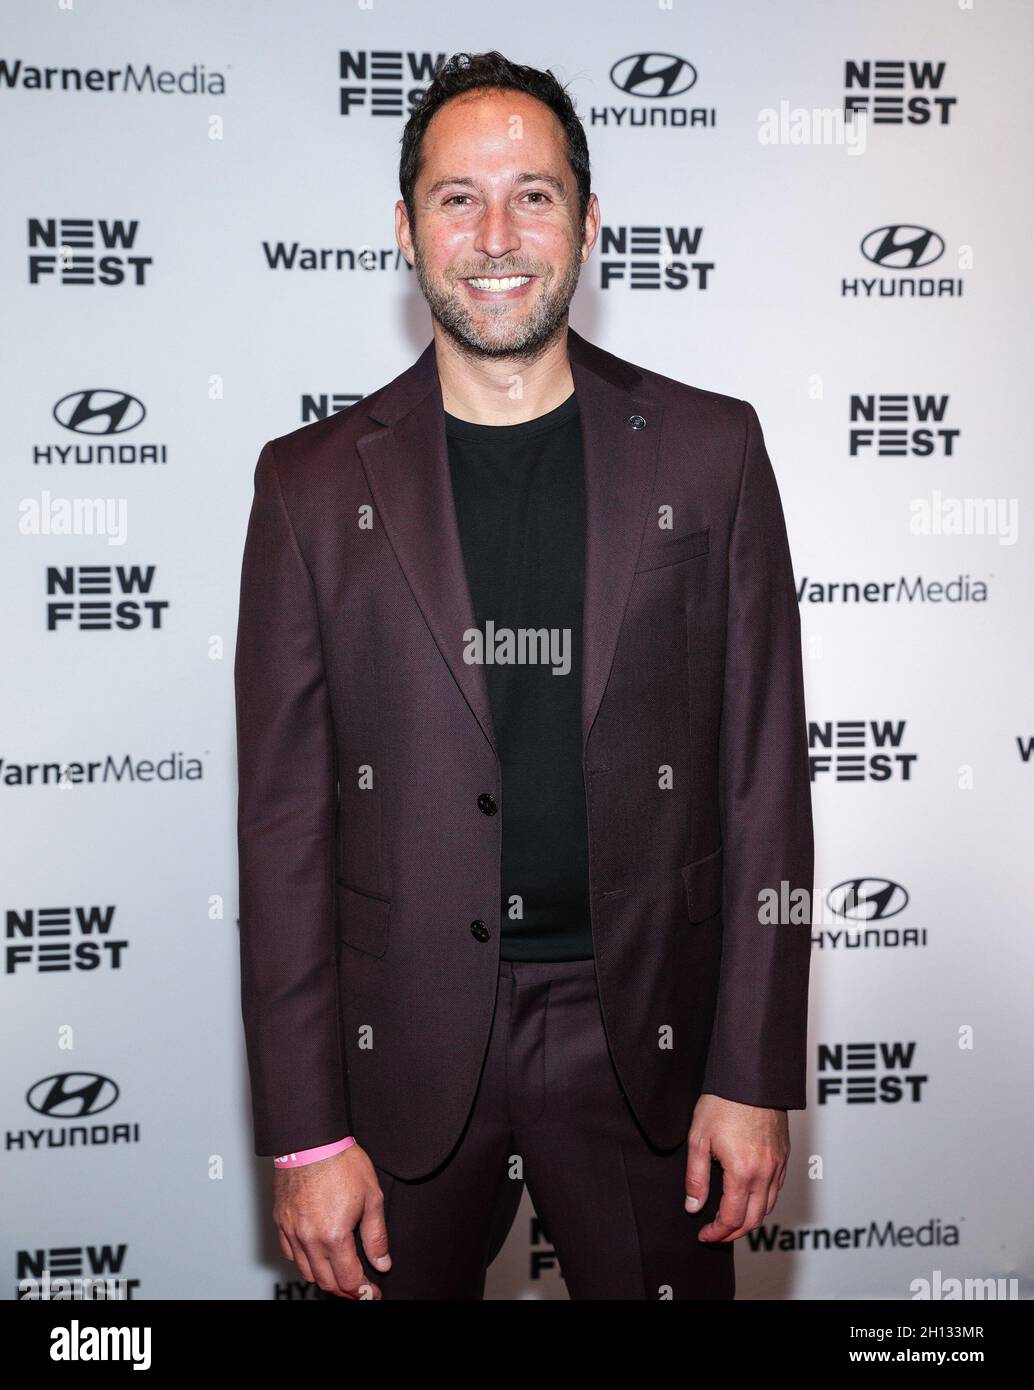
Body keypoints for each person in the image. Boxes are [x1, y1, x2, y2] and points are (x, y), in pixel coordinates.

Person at [234, 50, 814, 1301]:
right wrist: (303, 1130)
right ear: (404, 230)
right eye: (456, 197)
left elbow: (764, 786)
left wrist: (753, 1069)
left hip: (644, 1045)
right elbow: (282, 827)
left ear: (587, 222)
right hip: (400, 1057)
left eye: (533, 195)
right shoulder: (309, 486)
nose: (495, 234)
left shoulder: (711, 452)